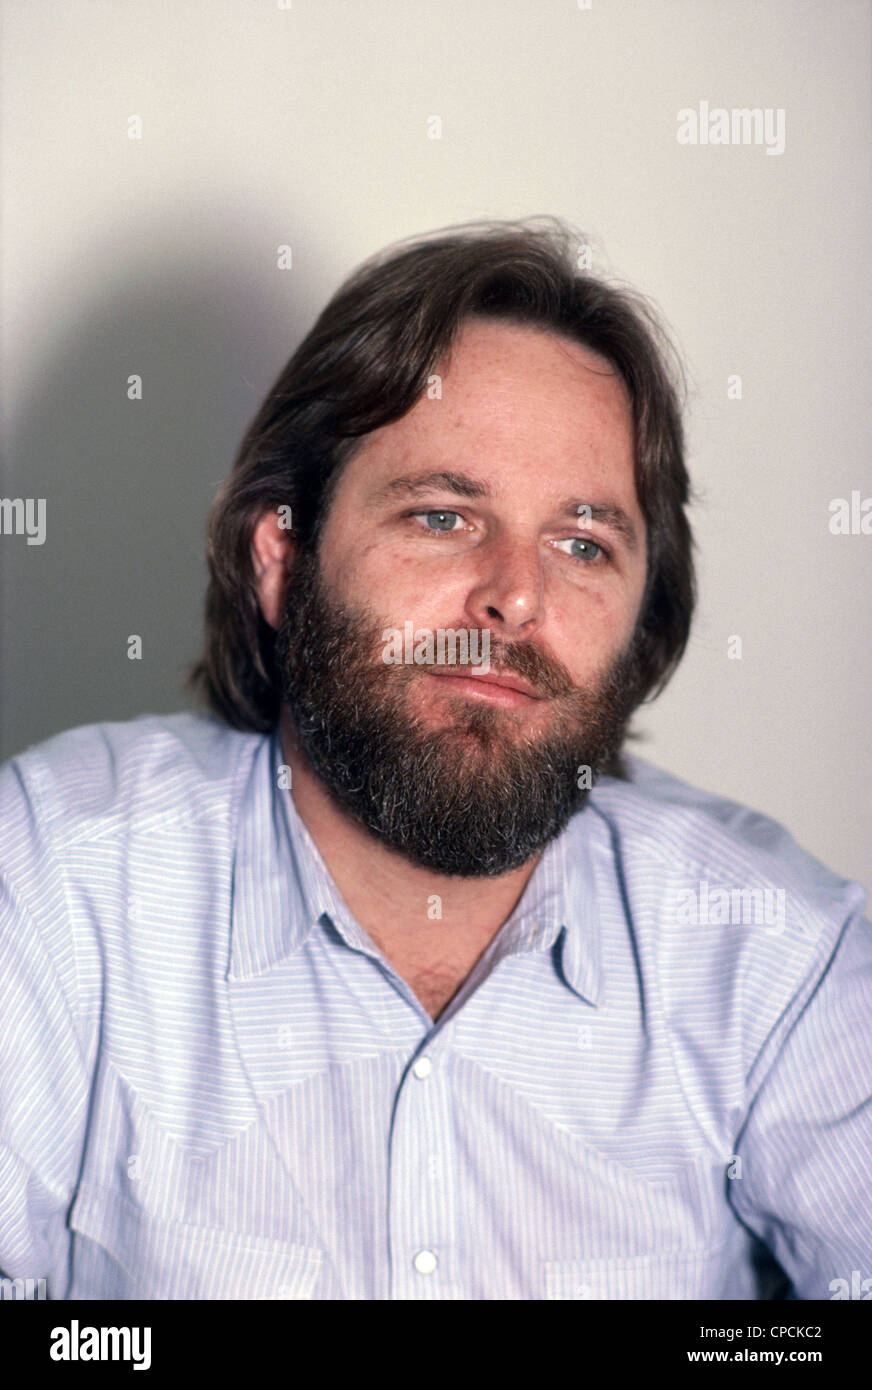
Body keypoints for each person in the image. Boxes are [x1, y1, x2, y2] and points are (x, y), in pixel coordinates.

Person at [1, 219, 869, 1301]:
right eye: (444, 515)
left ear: (642, 621)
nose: (515, 594)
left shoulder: (775, 957)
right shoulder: (56, 880)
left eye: (582, 542)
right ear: (282, 560)